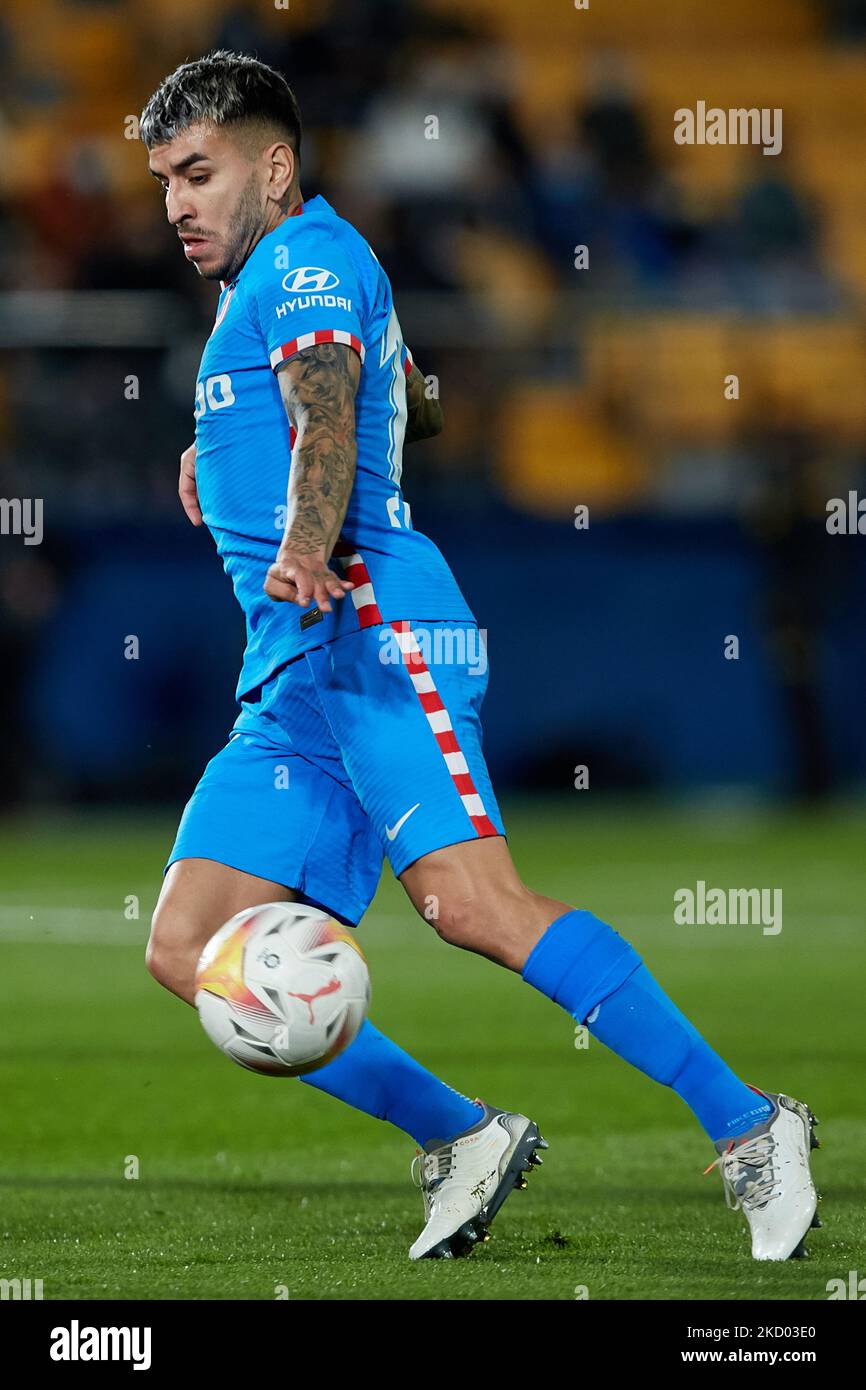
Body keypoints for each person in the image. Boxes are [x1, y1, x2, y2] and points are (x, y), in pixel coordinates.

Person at [141, 50, 820, 1263]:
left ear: (274, 165)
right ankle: (461, 1138)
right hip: (297, 667)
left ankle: (750, 1124)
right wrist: (235, 449)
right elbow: (412, 398)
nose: (178, 203)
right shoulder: (309, 272)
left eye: (198, 173)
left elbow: (336, 397)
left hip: (367, 627)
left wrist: (300, 536)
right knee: (189, 947)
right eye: (165, 183)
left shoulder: (300, 259)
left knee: (472, 905)